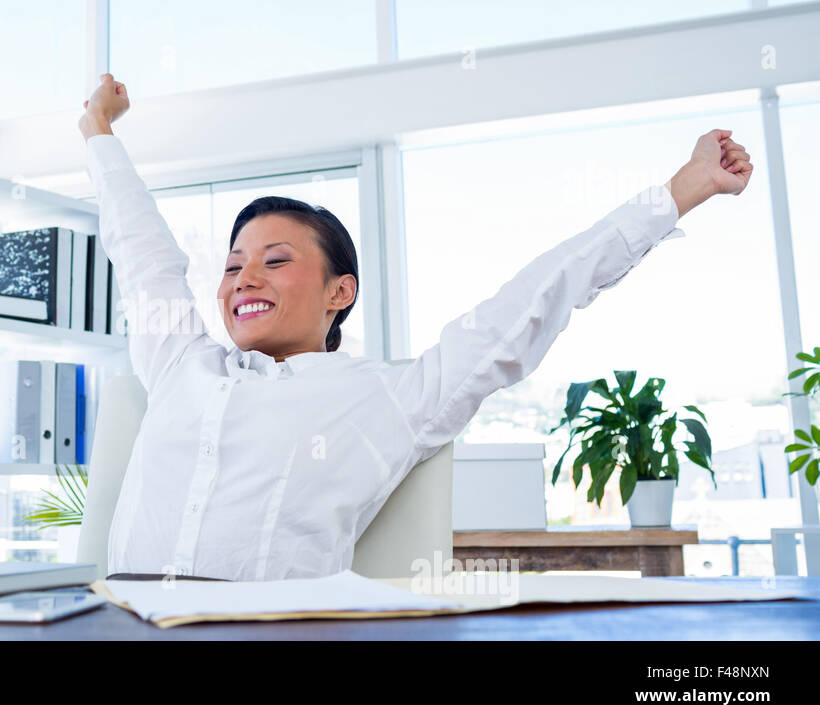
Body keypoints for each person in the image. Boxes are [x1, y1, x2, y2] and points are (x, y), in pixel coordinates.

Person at [78, 73, 753, 582]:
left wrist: (684, 187)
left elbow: (533, 300)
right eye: (232, 266)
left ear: (340, 291)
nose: (244, 279)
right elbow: (143, 252)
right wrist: (99, 131)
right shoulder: (179, 363)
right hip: (116, 629)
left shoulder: (389, 398)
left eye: (275, 261)